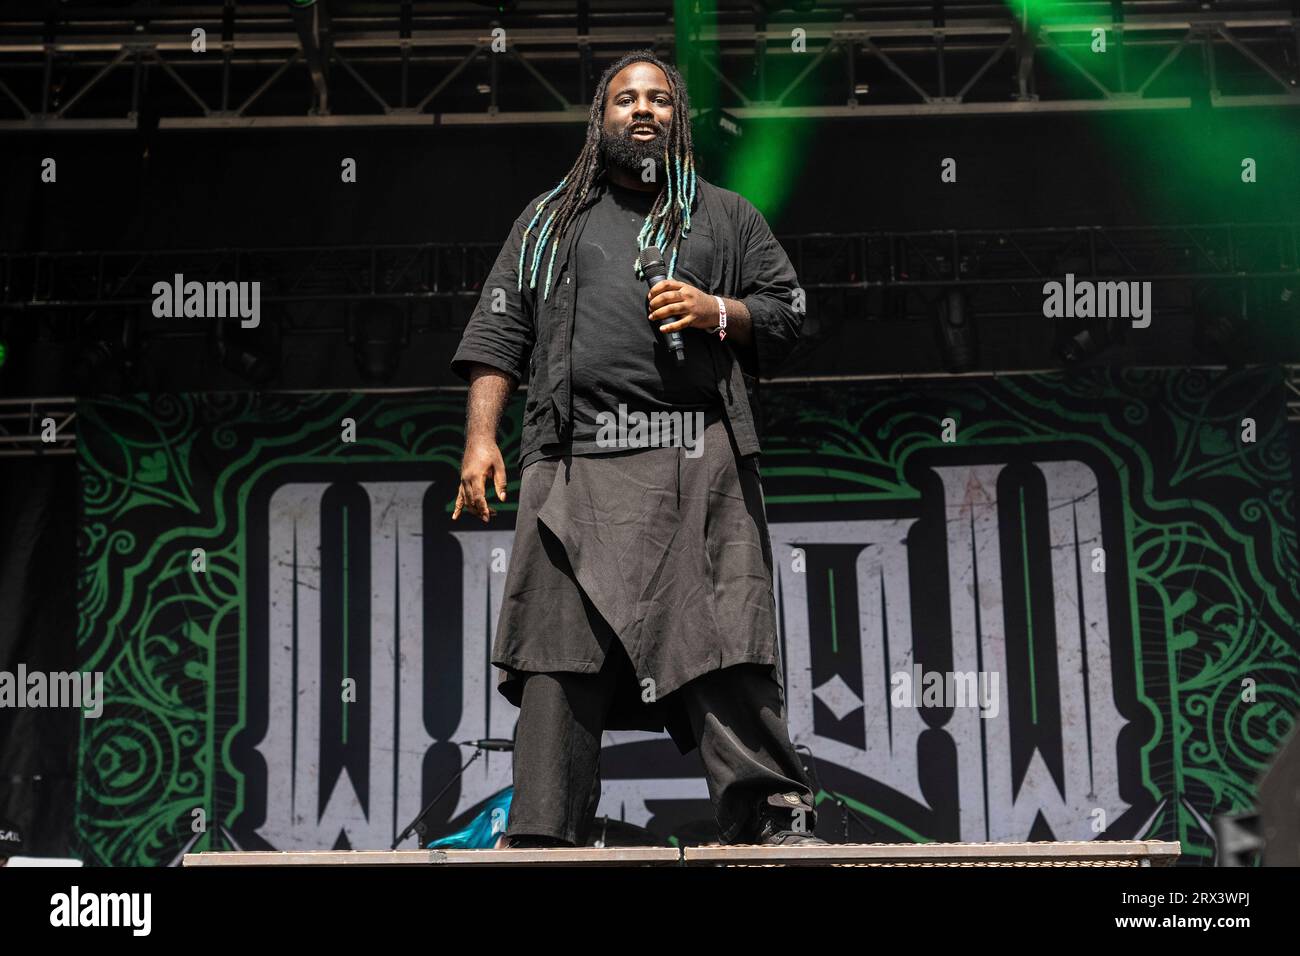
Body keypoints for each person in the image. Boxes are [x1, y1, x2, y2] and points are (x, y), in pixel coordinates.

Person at [450, 49, 824, 848]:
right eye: (626, 99)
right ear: (602, 119)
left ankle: (767, 811)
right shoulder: (550, 221)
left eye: (658, 98)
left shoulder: (724, 217)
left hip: (698, 462)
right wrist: (481, 439)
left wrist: (715, 309)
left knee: (721, 634)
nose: (643, 110)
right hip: (573, 463)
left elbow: (788, 315)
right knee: (557, 652)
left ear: (677, 118)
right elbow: (498, 335)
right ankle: (545, 830)